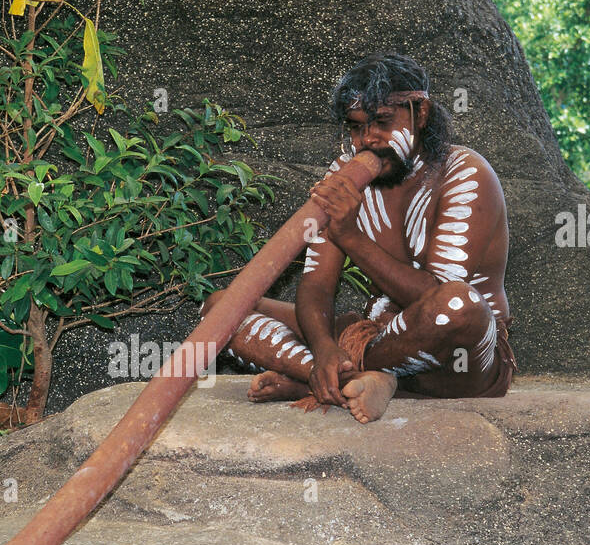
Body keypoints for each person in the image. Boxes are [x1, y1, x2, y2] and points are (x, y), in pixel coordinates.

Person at [202, 52, 515, 423]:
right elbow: (317, 286)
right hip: (371, 338)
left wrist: (350, 236)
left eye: (382, 122)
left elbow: (434, 295)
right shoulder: (344, 175)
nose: (368, 139)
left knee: (458, 306)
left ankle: (333, 379)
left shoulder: (465, 174)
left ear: (421, 114)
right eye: (355, 127)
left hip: (458, 360)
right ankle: (345, 377)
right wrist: (322, 350)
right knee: (221, 309)